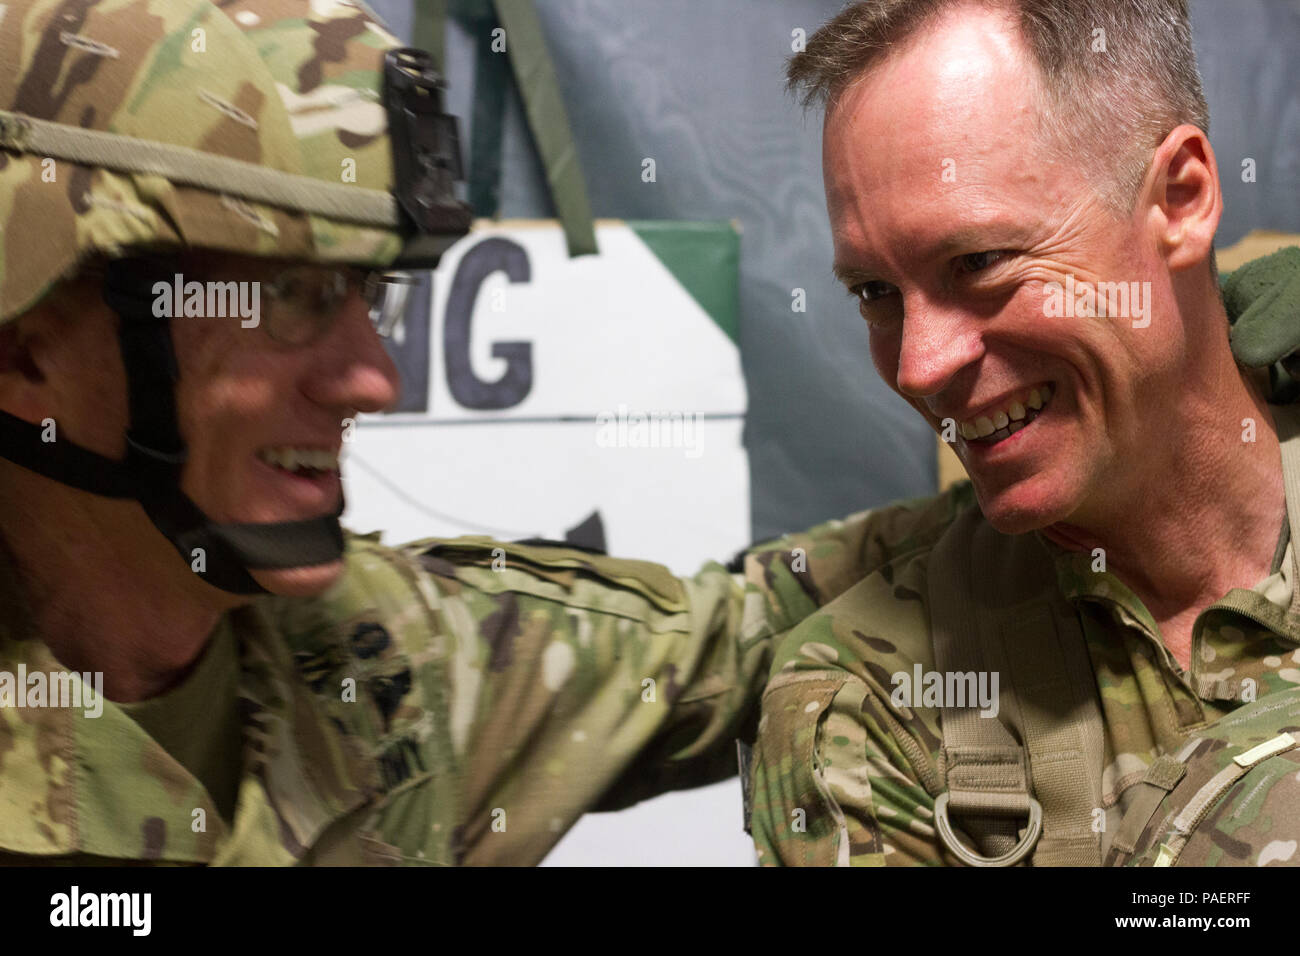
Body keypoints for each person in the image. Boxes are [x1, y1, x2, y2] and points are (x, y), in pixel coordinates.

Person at [0, 0, 877, 866]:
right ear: (26, 347)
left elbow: (746, 633)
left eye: (370, 291)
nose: (376, 382)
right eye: (293, 294)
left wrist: (1008, 501)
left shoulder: (386, 657)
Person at [748, 0, 1300, 866]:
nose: (920, 367)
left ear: (1180, 199)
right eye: (874, 292)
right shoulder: (874, 709)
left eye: (978, 263)